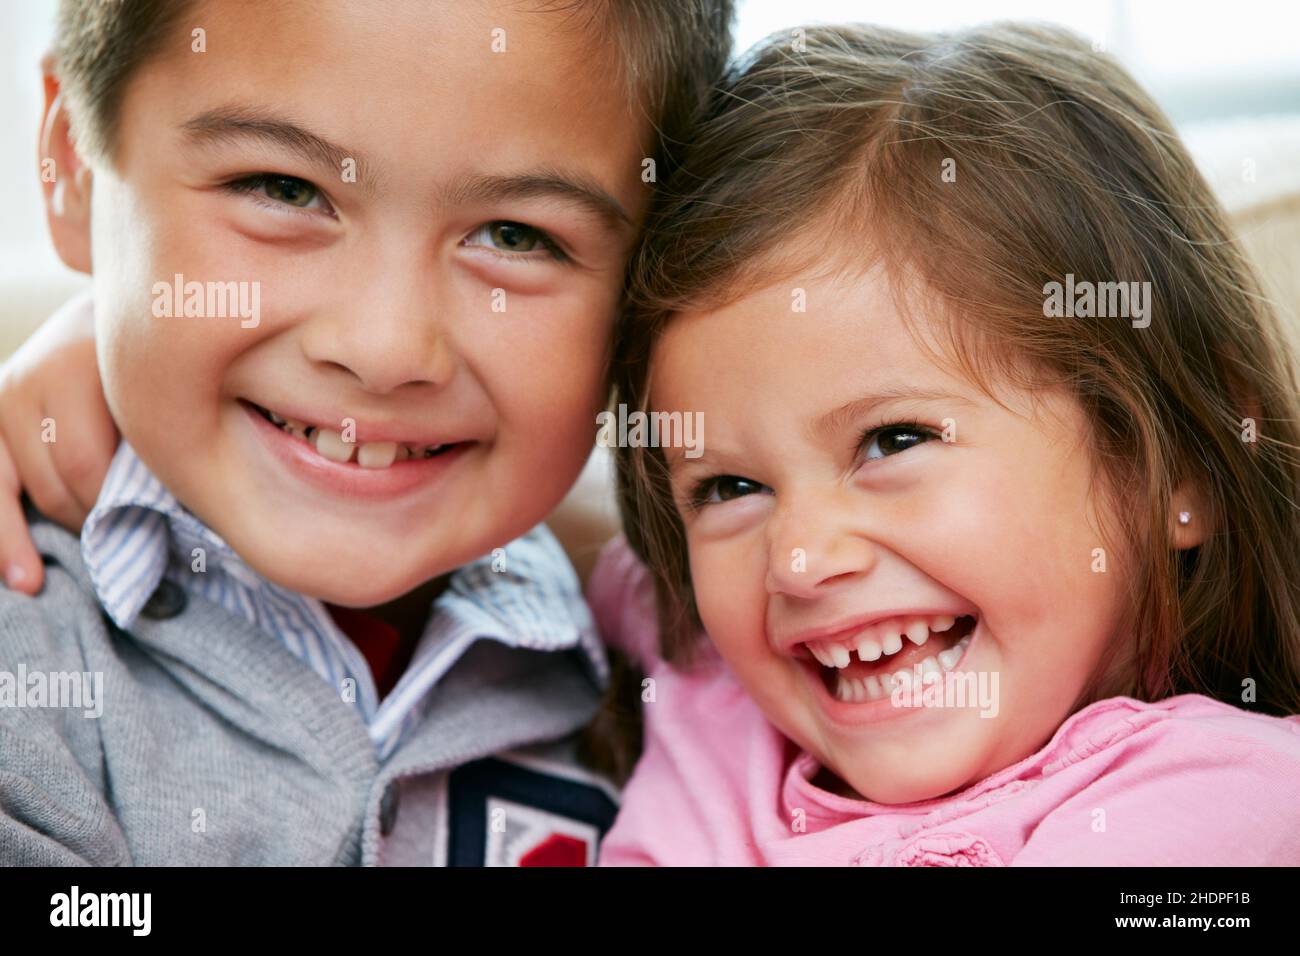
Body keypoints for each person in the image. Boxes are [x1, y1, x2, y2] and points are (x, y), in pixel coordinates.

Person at [0, 0, 731, 865]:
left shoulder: (698, 680)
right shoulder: (29, 678)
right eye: (283, 189)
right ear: (72, 167)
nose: (386, 349)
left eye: (515, 235)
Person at [591, 22, 1300, 865]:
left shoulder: (1220, 800)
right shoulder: (708, 674)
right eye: (730, 488)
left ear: (1182, 466)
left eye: (892, 441)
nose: (799, 560)